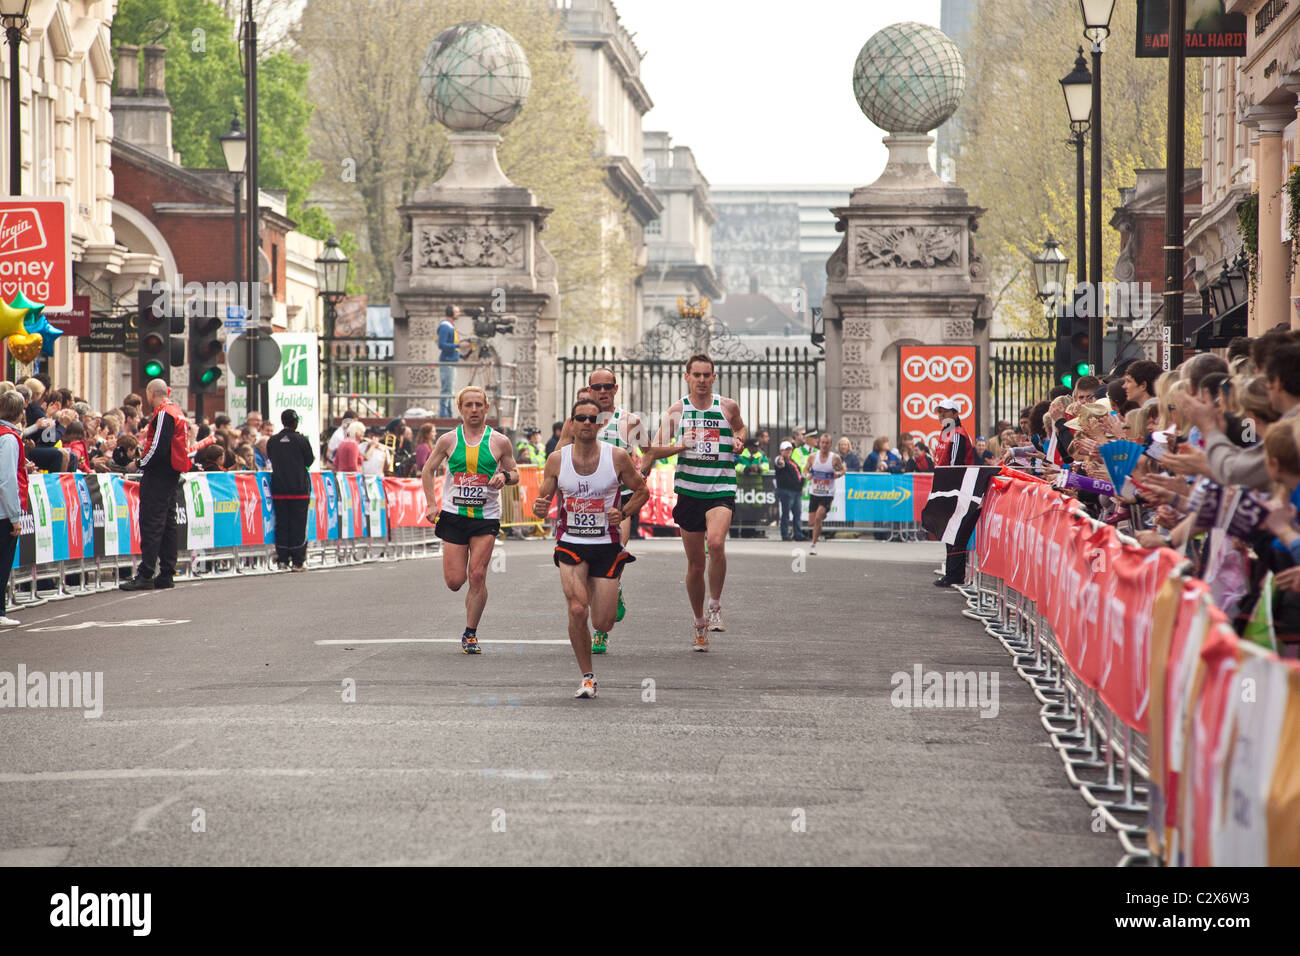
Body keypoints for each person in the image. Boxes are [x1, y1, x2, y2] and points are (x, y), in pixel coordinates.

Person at [532, 397, 648, 695]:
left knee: (603, 622)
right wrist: (540, 507)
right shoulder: (557, 460)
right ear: (571, 423)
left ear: (600, 424)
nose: (585, 423)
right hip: (570, 543)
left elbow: (642, 491)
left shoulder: (618, 457)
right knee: (577, 609)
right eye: (579, 418)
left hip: (606, 544)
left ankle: (608, 595)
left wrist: (622, 513)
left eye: (591, 419)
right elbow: (542, 500)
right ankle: (587, 676)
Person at [641, 354, 747, 650]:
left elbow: (740, 428)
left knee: (715, 544)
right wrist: (680, 445)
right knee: (696, 564)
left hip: (720, 489)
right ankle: (699, 622)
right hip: (689, 491)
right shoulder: (678, 409)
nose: (701, 380)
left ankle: (715, 605)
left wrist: (739, 440)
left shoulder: (727, 406)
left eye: (706, 375)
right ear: (686, 377)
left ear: (714, 377)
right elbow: (654, 450)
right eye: (696, 375)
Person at [421, 385, 520, 654]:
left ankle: (470, 632)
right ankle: (475, 594)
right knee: (455, 582)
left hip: (485, 517)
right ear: (460, 408)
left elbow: (515, 472)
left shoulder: (500, 442)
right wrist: (431, 504)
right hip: (454, 516)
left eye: (479, 404)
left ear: (487, 408)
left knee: (477, 574)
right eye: (469, 405)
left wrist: (505, 477)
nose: (474, 409)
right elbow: (428, 471)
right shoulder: (448, 440)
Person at [585, 368, 646, 619]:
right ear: (589, 390)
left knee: (613, 552)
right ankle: (602, 604)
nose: (603, 392)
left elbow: (649, 451)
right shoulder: (580, 421)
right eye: (597, 387)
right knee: (588, 570)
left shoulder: (630, 422)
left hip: (621, 500)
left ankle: (602, 629)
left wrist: (644, 469)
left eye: (608, 386)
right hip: (587, 502)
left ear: (616, 389)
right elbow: (559, 455)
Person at [120, 380, 190, 591]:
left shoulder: (163, 414)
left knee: (151, 523)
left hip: (158, 475)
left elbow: (158, 448)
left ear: (151, 393)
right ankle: (167, 572)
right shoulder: (176, 411)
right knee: (168, 525)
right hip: (171, 473)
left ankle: (146, 573)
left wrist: (139, 463)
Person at [933, 398, 976, 589]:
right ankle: (952, 572)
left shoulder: (957, 433)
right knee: (950, 531)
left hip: (955, 489)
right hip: (946, 487)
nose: (941, 415)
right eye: (939, 412)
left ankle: (955, 574)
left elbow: (955, 464)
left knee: (955, 532)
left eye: (945, 411)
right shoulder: (946, 432)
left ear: (956, 414)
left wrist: (949, 488)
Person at [268, 409, 315, 571]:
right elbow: (309, 460)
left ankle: (282, 559)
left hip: (279, 488)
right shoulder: (301, 440)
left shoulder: (272, 441)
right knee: (298, 525)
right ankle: (298, 560)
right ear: (295, 422)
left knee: (282, 524)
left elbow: (271, 458)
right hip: (299, 489)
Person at [0, 391, 28, 626]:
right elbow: (7, 479)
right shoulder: (8, 438)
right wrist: (15, 516)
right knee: (2, 561)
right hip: (2, 512)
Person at [804, 432, 845, 555]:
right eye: (822, 442)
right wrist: (808, 475)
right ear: (819, 443)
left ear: (831, 444)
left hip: (827, 493)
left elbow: (843, 470)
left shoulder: (835, 458)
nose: (824, 445)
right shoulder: (812, 457)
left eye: (827, 443)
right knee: (812, 522)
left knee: (818, 517)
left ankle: (813, 544)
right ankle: (822, 517)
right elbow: (806, 469)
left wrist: (837, 474)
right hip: (815, 492)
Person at [773, 440, 805, 541]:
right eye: (786, 450)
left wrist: (801, 486)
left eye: (790, 450)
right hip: (786, 491)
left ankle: (798, 534)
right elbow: (778, 462)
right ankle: (785, 534)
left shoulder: (792, 462)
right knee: (786, 514)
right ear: (781, 451)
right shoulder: (781, 460)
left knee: (797, 514)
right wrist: (780, 461)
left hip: (796, 491)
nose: (788, 452)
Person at [438, 305, 461, 418]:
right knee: (447, 388)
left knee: (450, 389)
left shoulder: (450, 326)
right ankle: (444, 414)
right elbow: (441, 344)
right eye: (457, 311)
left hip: (452, 361)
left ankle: (448, 413)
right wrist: (459, 345)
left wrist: (463, 354)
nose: (459, 313)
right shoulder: (445, 326)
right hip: (447, 362)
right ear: (451, 312)